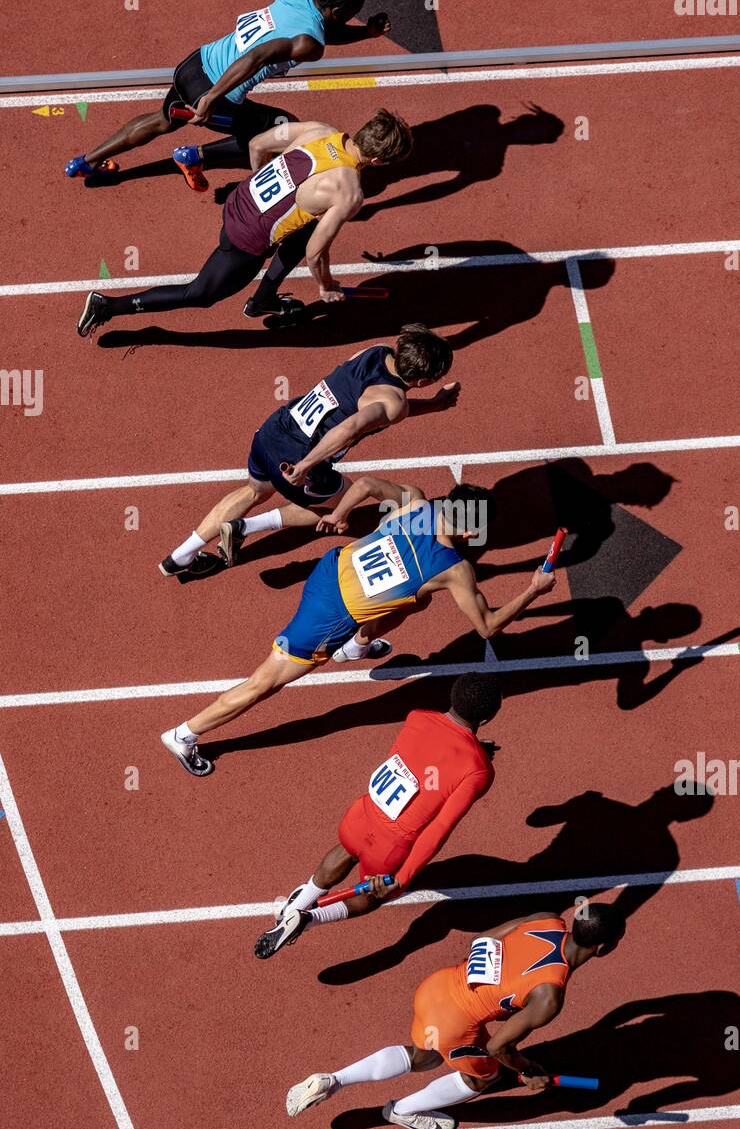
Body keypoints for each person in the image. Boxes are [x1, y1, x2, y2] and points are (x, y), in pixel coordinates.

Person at [159, 478, 556, 776]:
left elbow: (364, 484)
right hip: (330, 617)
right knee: (264, 684)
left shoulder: (415, 501)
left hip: (330, 570)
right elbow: (487, 627)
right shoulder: (455, 570)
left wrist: (338, 515)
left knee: (417, 596)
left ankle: (358, 646)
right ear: (471, 529)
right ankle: (185, 735)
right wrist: (533, 591)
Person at [284, 901, 625, 1129]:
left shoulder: (546, 919)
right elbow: (497, 1046)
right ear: (604, 949)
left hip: (437, 987)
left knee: (423, 1056)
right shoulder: (550, 995)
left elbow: (482, 940)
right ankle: (402, 1110)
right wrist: (525, 1069)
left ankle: (334, 1080)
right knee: (485, 1076)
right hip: (454, 1024)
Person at [76, 110, 412, 337]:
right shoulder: (349, 192)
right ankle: (109, 305)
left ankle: (263, 299)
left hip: (239, 200)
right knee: (200, 294)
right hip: (246, 239)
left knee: (306, 222)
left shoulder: (319, 130)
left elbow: (257, 144)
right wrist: (326, 286)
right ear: (379, 160)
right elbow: (315, 253)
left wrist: (258, 182)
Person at [158, 326, 458, 580]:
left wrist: (434, 404)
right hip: (297, 459)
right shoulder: (394, 403)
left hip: (273, 431)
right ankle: (243, 527)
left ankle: (180, 556)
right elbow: (350, 427)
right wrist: (305, 465)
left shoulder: (377, 351)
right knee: (343, 501)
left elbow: (369, 403)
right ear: (422, 381)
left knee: (254, 491)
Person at [64, 0, 391, 190]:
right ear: (338, 12)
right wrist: (212, 98)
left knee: (161, 120)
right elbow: (257, 56)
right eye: (351, 15)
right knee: (282, 130)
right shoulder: (309, 43)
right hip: (215, 92)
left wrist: (366, 33)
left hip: (195, 64)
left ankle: (85, 161)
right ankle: (196, 158)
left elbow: (316, 33)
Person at [254, 673, 502, 957]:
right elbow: (440, 828)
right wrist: (404, 876)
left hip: (359, 818)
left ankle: (297, 905)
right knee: (372, 897)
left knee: (347, 850)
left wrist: (472, 749)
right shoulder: (479, 771)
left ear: (453, 695)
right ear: (486, 719)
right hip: (390, 849)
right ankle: (309, 919)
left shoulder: (417, 717)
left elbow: (430, 753)